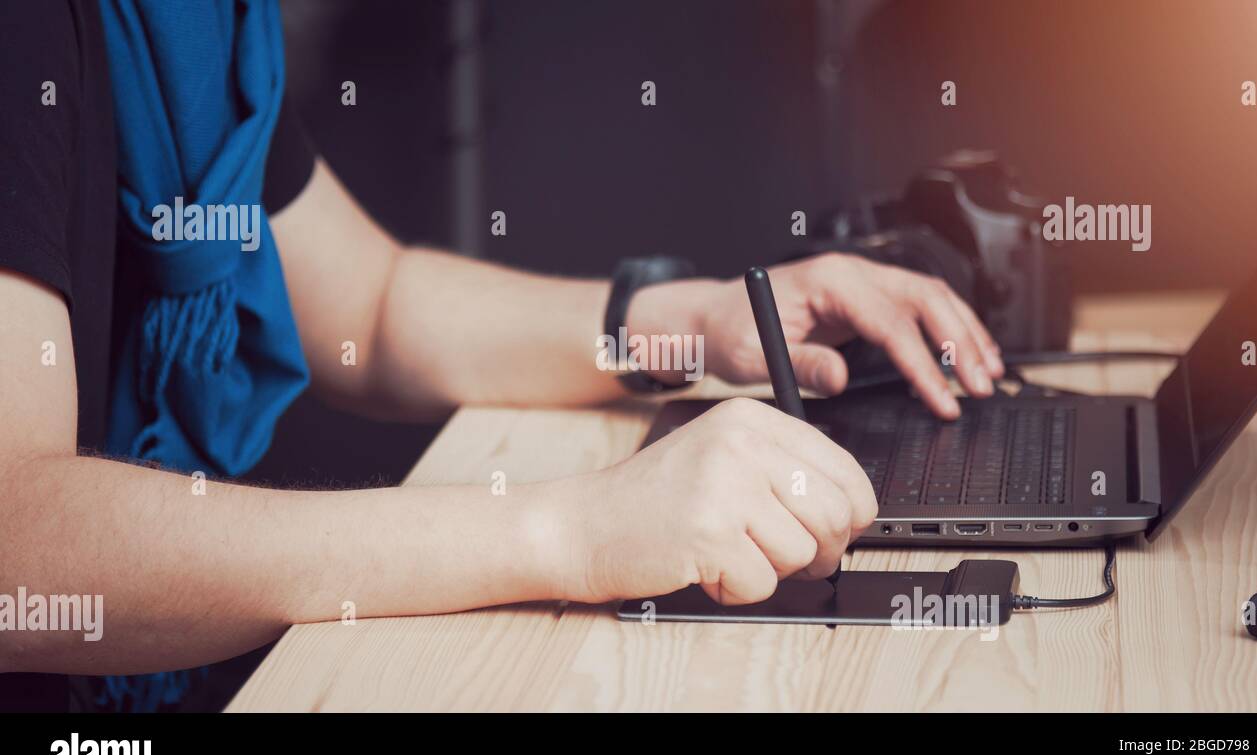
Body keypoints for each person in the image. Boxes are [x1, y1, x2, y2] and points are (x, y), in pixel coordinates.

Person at [0, 0, 1003, 708]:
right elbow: (16, 549)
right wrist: (573, 529)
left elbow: (372, 304)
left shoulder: (190, 24)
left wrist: (693, 319)